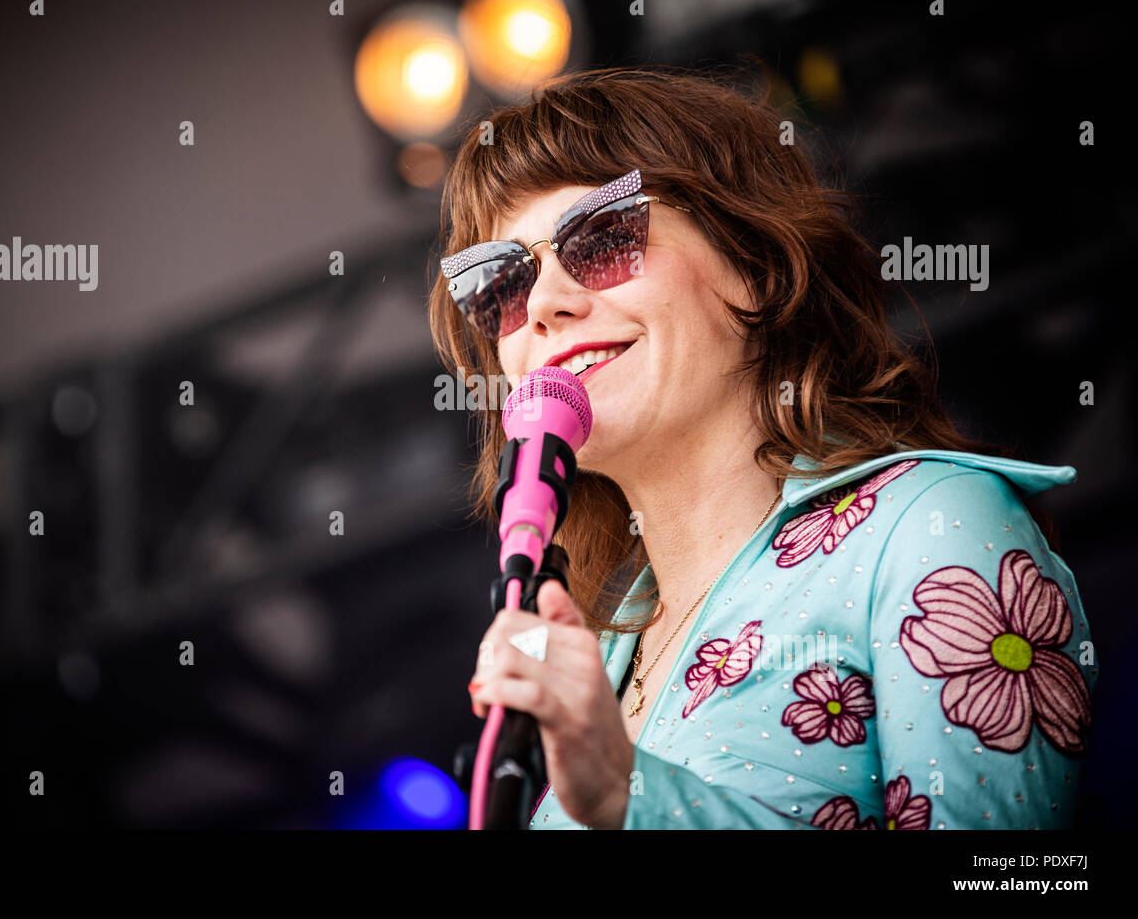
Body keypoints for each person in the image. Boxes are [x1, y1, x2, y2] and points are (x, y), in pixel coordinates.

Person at [428, 66, 1097, 829]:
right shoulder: (608, 638)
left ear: (754, 266)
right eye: (502, 284)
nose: (544, 305)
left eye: (603, 236)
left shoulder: (930, 524)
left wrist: (629, 794)